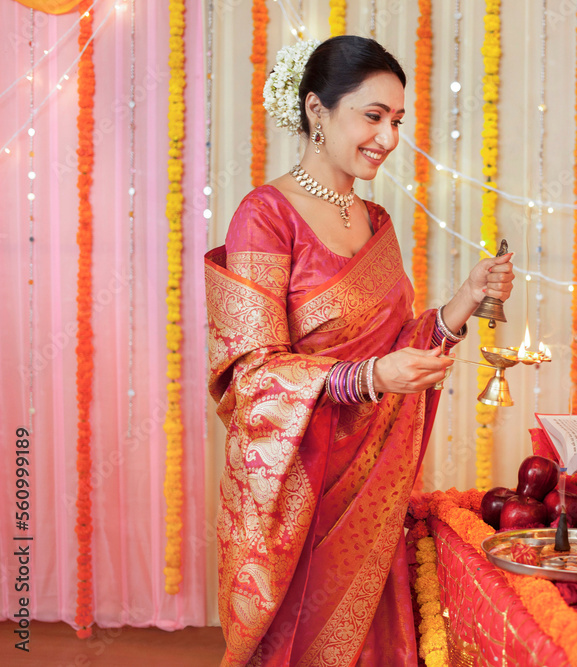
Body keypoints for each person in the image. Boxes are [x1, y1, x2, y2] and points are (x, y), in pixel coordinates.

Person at [205, 36, 514, 666]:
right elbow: (254, 373)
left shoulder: (374, 221)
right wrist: (373, 375)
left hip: (372, 480)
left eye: (397, 120)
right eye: (373, 116)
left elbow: (397, 348)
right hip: (305, 492)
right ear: (318, 111)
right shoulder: (263, 217)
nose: (389, 137)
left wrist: (463, 301)